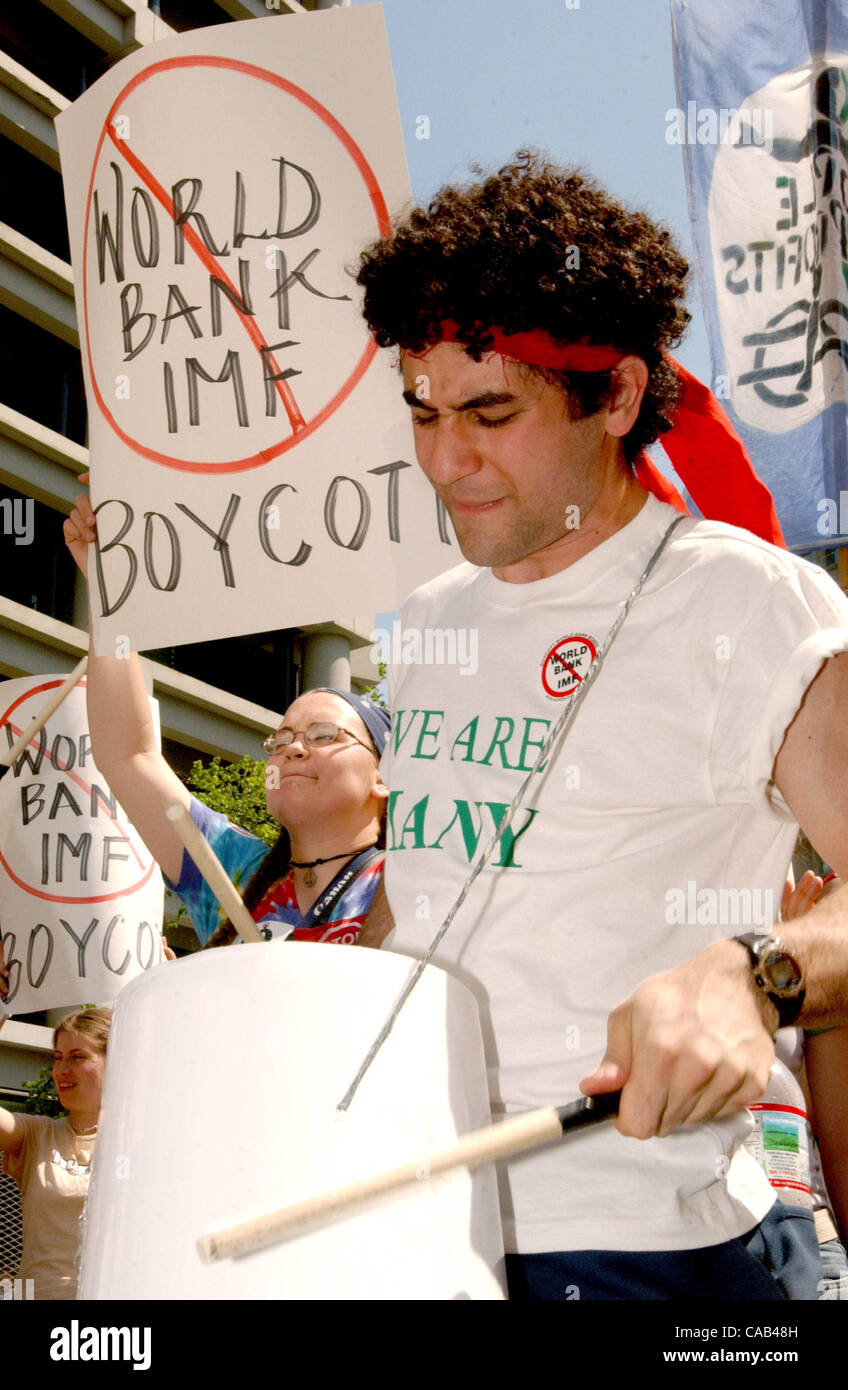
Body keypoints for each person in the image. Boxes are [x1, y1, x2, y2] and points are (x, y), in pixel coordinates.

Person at [353, 151, 848, 1299]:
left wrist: (752, 974)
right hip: (409, 1227)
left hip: (642, 1245)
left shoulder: (752, 601)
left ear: (615, 394)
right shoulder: (428, 618)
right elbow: (425, 890)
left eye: (489, 412)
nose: (442, 458)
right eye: (420, 410)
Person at [61, 482, 390, 948]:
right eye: (281, 740)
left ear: (386, 775)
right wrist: (109, 592)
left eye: (323, 736)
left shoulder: (424, 880)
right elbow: (128, 755)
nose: (294, 748)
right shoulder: (228, 868)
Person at [0, 1006, 112, 1299]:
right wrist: (3, 1005)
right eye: (58, 1058)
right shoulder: (36, 1135)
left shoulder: (142, 1142)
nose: (61, 1071)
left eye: (78, 1057)